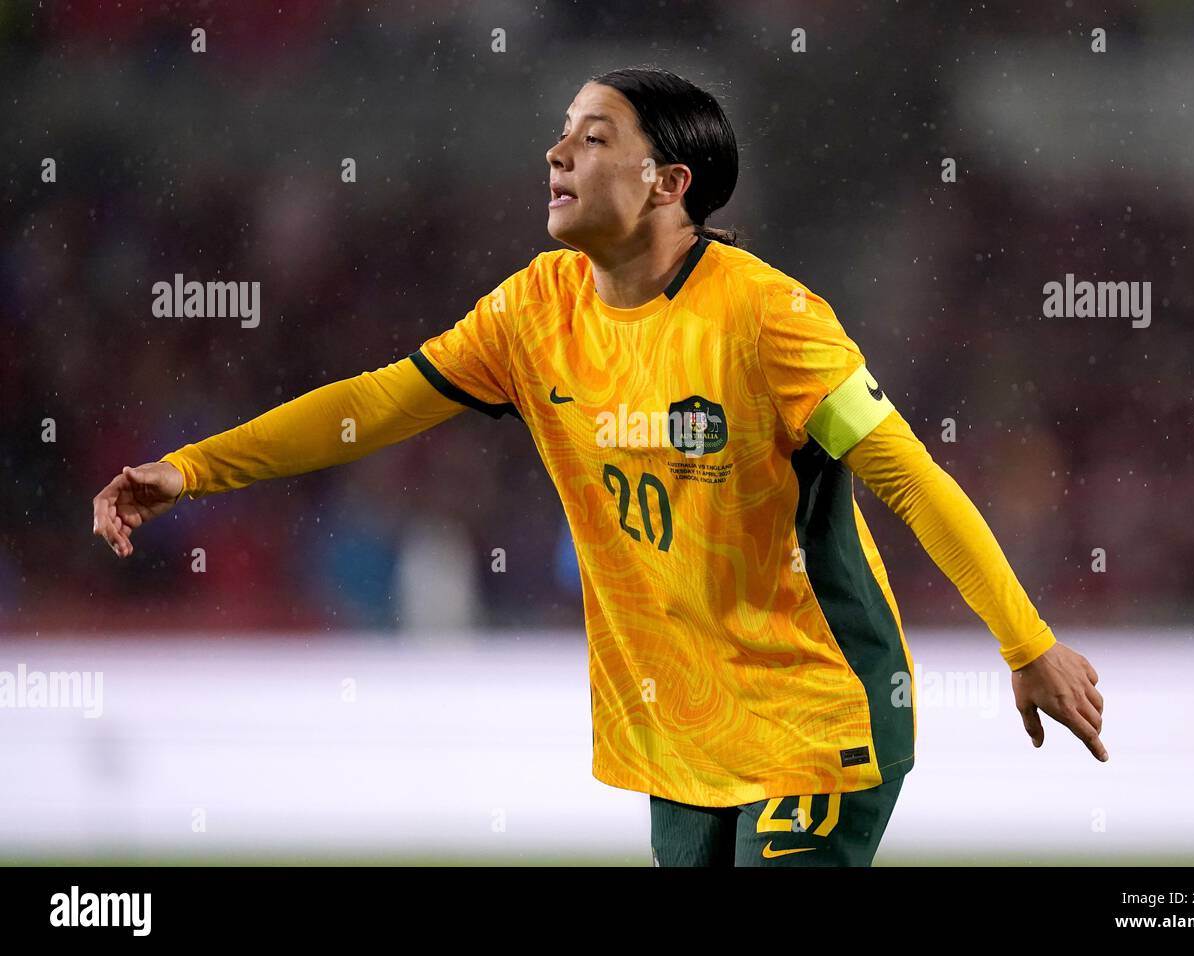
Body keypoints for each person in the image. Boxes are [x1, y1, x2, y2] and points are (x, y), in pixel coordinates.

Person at [91, 66, 1106, 867]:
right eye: (562, 131)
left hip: (818, 707)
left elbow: (908, 477)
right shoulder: (536, 310)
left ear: (671, 184)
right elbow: (373, 403)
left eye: (593, 136)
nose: (556, 152)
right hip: (678, 729)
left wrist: (1025, 643)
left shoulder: (772, 321)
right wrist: (193, 468)